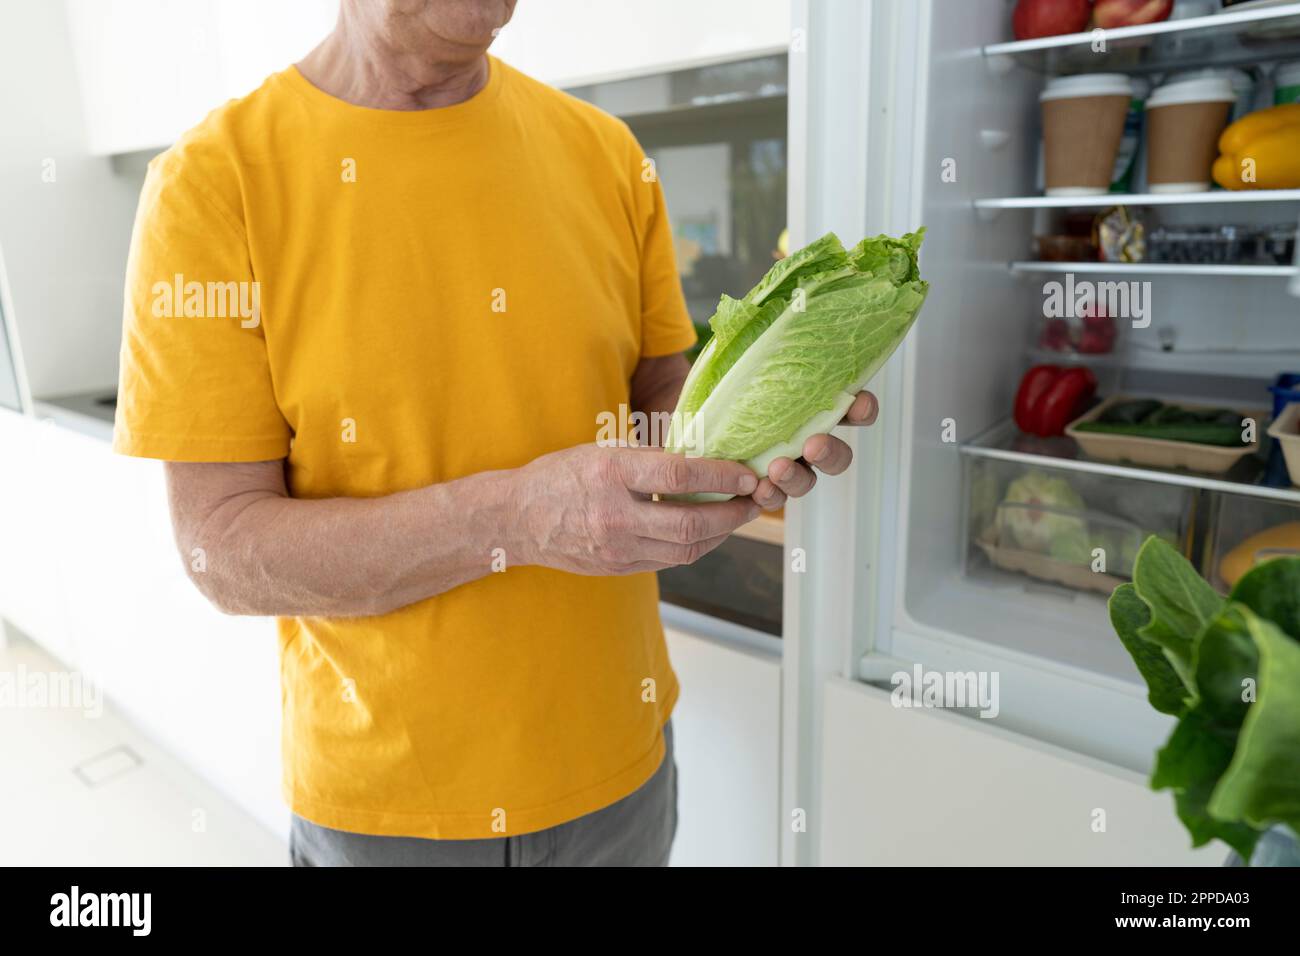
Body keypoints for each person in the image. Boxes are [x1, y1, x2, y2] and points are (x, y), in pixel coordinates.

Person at [114, 0, 879, 866]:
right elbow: (223, 550)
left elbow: (660, 398)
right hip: (391, 812)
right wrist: (519, 517)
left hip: (622, 770)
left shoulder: (606, 154)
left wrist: (770, 416)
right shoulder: (213, 183)